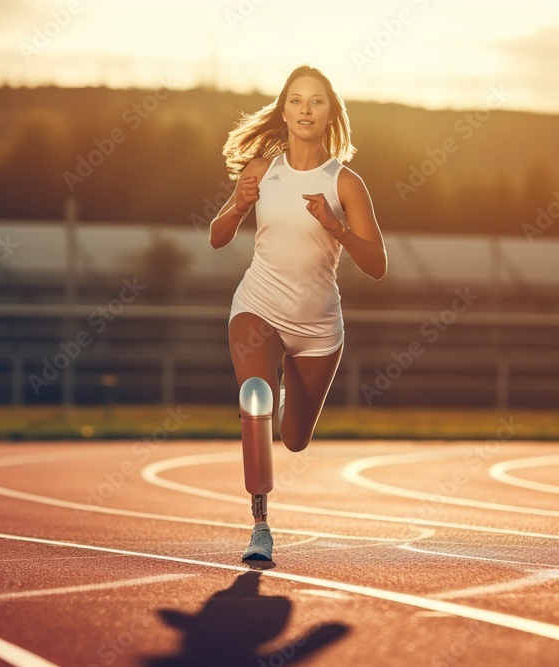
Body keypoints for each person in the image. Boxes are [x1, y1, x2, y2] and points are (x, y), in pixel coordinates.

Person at [208, 65, 388, 561]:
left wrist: (337, 227)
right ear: (283, 111)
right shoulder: (263, 171)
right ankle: (260, 526)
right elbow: (217, 237)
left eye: (316, 101)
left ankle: (284, 393)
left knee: (294, 440)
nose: (305, 109)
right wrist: (239, 206)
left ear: (331, 113)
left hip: (317, 328)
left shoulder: (345, 183)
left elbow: (376, 265)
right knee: (254, 396)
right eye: (296, 100)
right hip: (258, 307)